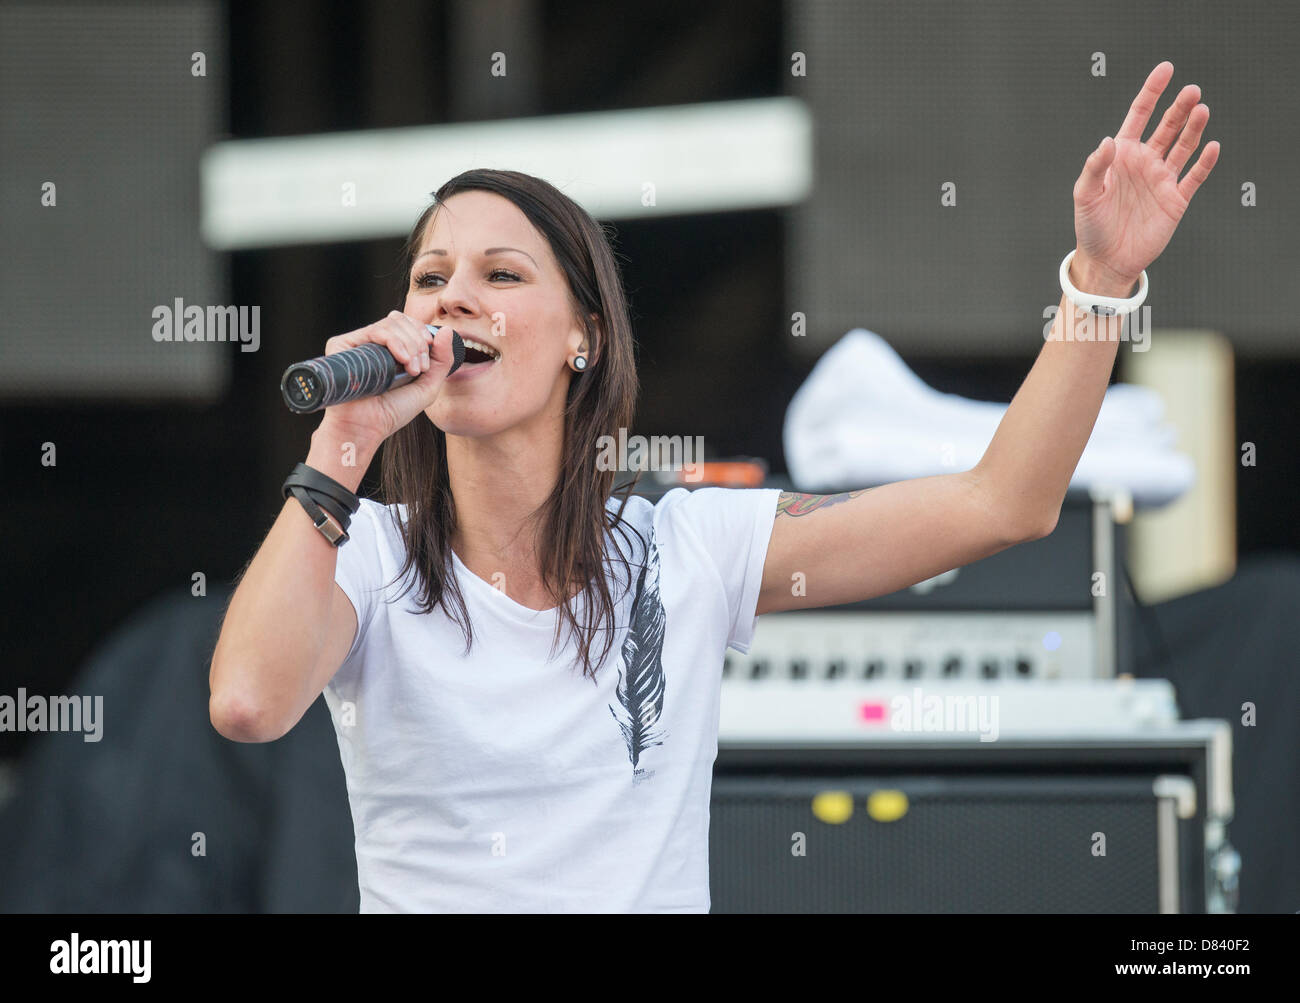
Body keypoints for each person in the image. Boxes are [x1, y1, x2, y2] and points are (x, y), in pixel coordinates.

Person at [209, 61, 1219, 913]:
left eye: (501, 274)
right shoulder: (365, 552)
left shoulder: (685, 549)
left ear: (582, 337)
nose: (453, 298)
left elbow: (1003, 504)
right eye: (430, 278)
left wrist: (1097, 284)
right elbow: (248, 703)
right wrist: (344, 441)